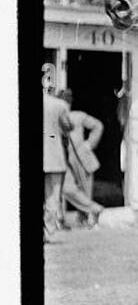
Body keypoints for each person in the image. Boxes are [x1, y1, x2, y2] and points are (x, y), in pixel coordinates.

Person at [57, 89, 104, 228]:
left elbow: (98, 125)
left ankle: (89, 219)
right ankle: (90, 212)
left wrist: (89, 144)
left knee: (86, 189)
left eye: (66, 103)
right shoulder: (57, 119)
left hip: (83, 158)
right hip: (66, 161)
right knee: (67, 188)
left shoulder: (78, 116)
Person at [43, 87, 74, 241]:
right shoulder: (59, 105)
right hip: (53, 155)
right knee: (52, 196)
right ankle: (47, 232)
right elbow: (69, 125)